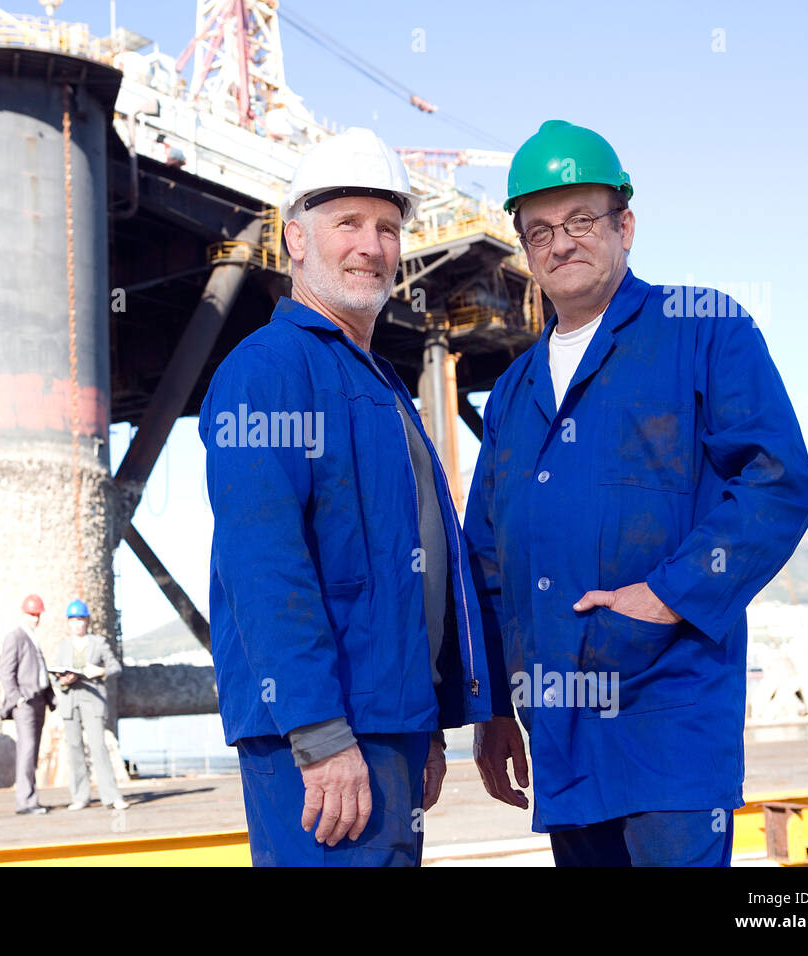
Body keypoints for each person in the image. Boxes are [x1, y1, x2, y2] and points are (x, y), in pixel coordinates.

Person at [464, 120, 808, 866]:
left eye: (582, 220)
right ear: (525, 252)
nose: (562, 242)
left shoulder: (703, 329)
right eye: (539, 231)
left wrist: (665, 596)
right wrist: (494, 706)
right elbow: (487, 561)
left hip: (668, 720)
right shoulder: (513, 391)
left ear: (625, 224)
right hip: (559, 735)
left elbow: (777, 483)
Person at [198, 127, 499, 866]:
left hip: (388, 733)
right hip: (322, 743)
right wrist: (322, 734)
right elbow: (263, 567)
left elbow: (415, 561)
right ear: (296, 239)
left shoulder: (380, 382)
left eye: (388, 228)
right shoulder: (268, 370)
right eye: (348, 224)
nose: (371, 244)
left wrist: (428, 722)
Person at [50, 600, 128, 811]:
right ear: (68, 623)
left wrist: (100, 671)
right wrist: (62, 680)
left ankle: (111, 796)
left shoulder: (99, 643)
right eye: (73, 620)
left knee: (98, 747)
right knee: (74, 748)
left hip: (92, 699)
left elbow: (114, 666)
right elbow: (56, 676)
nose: (77, 624)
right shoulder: (63, 647)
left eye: (81, 620)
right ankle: (80, 797)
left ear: (87, 621)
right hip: (70, 700)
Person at [0, 594, 56, 815]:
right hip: (26, 704)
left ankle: (30, 798)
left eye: (38, 614)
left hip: (39, 701)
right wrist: (17, 699)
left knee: (32, 752)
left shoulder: (31, 637)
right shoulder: (16, 637)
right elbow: (5, 671)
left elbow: (38, 670)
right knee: (27, 750)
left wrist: (50, 697)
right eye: (32, 614)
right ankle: (25, 801)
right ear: (24, 614)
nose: (36, 619)